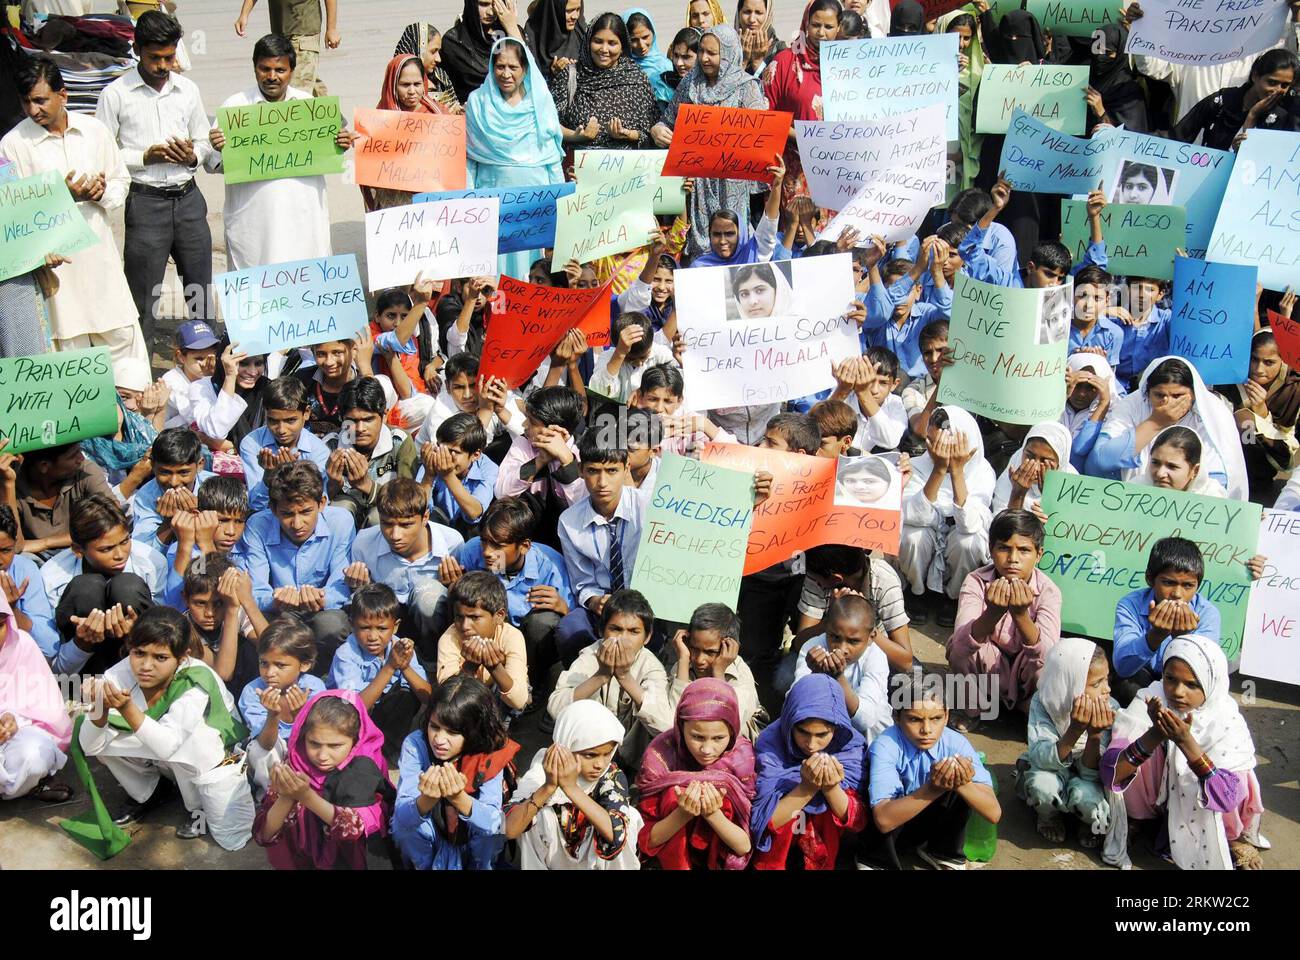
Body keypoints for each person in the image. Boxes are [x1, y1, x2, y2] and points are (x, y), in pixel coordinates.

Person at [1, 57, 147, 370]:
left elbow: (120, 180)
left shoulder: (94, 131)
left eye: (40, 100)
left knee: (125, 356)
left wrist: (101, 192)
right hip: (56, 274)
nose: (32, 109)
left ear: (63, 95)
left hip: (101, 264)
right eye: (26, 101)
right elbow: (10, 211)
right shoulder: (12, 145)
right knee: (71, 361)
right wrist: (62, 198)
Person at [67, 607, 247, 857]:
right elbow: (90, 745)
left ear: (181, 658)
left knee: (196, 740)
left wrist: (126, 708)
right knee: (102, 734)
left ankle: (198, 808)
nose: (145, 666)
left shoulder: (195, 679)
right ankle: (150, 792)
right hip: (160, 748)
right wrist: (99, 710)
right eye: (139, 653)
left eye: (160, 658)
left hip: (208, 753)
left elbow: (169, 745)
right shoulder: (117, 675)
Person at [95, 11, 214, 350]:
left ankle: (205, 370)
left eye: (169, 57)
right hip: (146, 204)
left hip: (189, 200)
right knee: (143, 297)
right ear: (137, 50)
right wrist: (145, 157)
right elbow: (102, 153)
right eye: (155, 58)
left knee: (200, 292)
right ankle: (139, 374)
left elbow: (204, 142)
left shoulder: (187, 90)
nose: (163, 65)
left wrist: (192, 155)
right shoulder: (116, 94)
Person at [1103, 635, 1267, 870]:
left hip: (1210, 800)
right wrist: (1155, 735)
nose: (1178, 692)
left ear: (1211, 682)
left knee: (1237, 775)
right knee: (1135, 747)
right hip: (1158, 798)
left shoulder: (1225, 717)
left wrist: (1186, 742)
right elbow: (1112, 774)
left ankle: (1232, 836)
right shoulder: (1151, 699)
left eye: (1191, 684)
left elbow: (1227, 797)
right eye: (1170, 679)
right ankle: (1138, 817)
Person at [207, 34, 354, 271]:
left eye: (280, 69)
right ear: (255, 68)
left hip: (303, 218)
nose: (272, 76)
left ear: (292, 70)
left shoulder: (310, 106)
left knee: (306, 283)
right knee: (258, 289)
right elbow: (211, 163)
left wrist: (342, 141)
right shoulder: (235, 107)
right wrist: (217, 148)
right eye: (265, 69)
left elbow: (335, 143)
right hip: (255, 222)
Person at [651, 24, 768, 257]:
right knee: (700, 248)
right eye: (702, 51)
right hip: (697, 185)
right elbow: (668, 120)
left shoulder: (747, 88)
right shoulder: (690, 84)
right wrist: (658, 130)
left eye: (712, 53)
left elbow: (758, 139)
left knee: (730, 244)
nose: (704, 58)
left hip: (732, 184)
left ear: (728, 54)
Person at [862, 674, 1000, 870]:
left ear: (946, 716)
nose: (926, 729)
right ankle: (875, 861)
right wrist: (933, 788)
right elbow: (883, 820)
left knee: (959, 776)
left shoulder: (956, 743)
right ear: (897, 718)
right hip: (886, 831)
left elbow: (993, 813)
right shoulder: (886, 745)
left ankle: (943, 851)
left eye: (936, 718)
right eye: (914, 719)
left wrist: (962, 783)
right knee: (873, 802)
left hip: (922, 825)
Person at [254, 690, 393, 869]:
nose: (322, 756)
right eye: (314, 743)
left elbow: (353, 829)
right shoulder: (295, 766)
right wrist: (287, 796)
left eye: (335, 746)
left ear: (356, 741)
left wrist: (306, 797)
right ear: (302, 737)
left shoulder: (363, 770)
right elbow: (263, 835)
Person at [392, 675, 520, 869]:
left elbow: (495, 822)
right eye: (434, 727)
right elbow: (402, 815)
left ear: (474, 730)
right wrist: (426, 800)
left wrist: (458, 798)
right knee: (403, 829)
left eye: (452, 732)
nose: (439, 740)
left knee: (491, 835)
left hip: (471, 841)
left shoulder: (491, 751)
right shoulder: (416, 744)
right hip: (433, 836)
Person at [466, 38, 566, 281]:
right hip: (492, 203)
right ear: (491, 66)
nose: (506, 74)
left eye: (513, 67)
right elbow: (470, 159)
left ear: (525, 69)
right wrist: (469, 201)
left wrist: (562, 205)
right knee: (493, 270)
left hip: (534, 206)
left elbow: (551, 155)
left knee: (533, 272)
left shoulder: (539, 103)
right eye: (500, 66)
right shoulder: (478, 103)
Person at [504, 699, 642, 870]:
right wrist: (548, 787)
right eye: (590, 755)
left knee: (630, 817)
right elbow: (510, 829)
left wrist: (571, 788)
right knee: (535, 814)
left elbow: (616, 836)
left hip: (593, 863)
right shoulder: (542, 771)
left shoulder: (610, 774)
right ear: (566, 746)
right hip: (554, 860)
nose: (600, 764)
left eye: (607, 754)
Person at [636, 678, 756, 869]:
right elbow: (647, 840)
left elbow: (744, 846)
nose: (707, 749)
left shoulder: (741, 760)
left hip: (719, 861)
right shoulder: (660, 755)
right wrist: (682, 813)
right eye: (697, 737)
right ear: (680, 727)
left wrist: (713, 814)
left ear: (732, 731)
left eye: (718, 738)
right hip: (668, 862)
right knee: (672, 795)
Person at [243, 461, 352, 672]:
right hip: (279, 613)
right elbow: (256, 590)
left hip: (322, 611)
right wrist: (275, 600)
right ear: (273, 509)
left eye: (305, 512)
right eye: (287, 514)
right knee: (260, 627)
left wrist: (320, 599)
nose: (297, 523)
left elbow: (340, 584)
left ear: (321, 503)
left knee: (333, 625)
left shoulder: (341, 522)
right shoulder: (258, 526)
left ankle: (322, 677)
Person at [1089, 356, 1248, 499]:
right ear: (1147, 393)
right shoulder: (1133, 406)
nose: (1167, 403)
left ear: (1193, 395)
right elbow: (1100, 460)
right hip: (1136, 499)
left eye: (1177, 396)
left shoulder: (1212, 414)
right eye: (1159, 395)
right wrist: (1156, 422)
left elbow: (1218, 478)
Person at [751, 674, 867, 870]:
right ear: (789, 724)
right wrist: (807, 787)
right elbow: (764, 821)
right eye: (803, 732)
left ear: (836, 729)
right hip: (778, 850)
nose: (812, 745)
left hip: (830, 844)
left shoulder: (850, 747)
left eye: (822, 734)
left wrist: (831, 788)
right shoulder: (771, 744)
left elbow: (856, 821)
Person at [43, 494, 165, 679]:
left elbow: (170, 631)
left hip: (140, 664)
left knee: (127, 587)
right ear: (78, 550)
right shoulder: (53, 577)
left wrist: (139, 633)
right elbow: (56, 668)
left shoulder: (151, 563)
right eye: (106, 549)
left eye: (125, 541)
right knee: (86, 589)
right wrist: (82, 642)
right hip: (79, 676)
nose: (120, 555)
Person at [896, 405, 995, 628]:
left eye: (943, 445)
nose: (934, 449)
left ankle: (953, 598)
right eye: (930, 442)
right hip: (927, 546)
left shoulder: (982, 472)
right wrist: (939, 470)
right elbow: (915, 515)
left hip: (957, 542)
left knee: (968, 542)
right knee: (912, 536)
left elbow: (969, 524)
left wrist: (957, 472)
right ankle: (916, 591)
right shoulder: (918, 465)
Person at [548, 589, 671, 767]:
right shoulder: (589, 657)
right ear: (601, 630)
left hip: (633, 760)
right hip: (587, 757)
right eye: (615, 629)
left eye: (634, 632)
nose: (623, 638)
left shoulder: (651, 667)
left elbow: (664, 725)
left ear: (647, 637)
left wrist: (624, 677)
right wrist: (601, 675)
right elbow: (556, 709)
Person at [1018, 638, 1118, 850]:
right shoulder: (1045, 702)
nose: (1107, 689)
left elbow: (1093, 774)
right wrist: (1074, 731)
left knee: (1089, 799)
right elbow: (1040, 758)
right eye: (1096, 683)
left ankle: (1084, 822)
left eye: (1106, 679)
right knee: (1041, 786)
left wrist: (1094, 736)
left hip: (1087, 778)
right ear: (1069, 683)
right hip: (1051, 771)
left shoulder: (1110, 709)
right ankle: (1048, 816)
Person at [1112, 537, 1222, 706]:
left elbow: (1204, 672)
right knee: (1127, 685)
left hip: (1183, 682)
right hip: (1144, 676)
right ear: (1150, 579)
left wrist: (1184, 639)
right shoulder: (1131, 604)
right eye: (1168, 583)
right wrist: (1155, 635)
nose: (1177, 594)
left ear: (1197, 585)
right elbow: (1123, 667)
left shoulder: (1207, 613)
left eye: (1188, 586)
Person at [762, 0, 842, 207]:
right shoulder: (784, 63)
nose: (821, 33)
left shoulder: (848, 68)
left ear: (839, 28)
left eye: (829, 27)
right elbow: (764, 118)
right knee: (792, 236)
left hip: (837, 172)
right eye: (816, 25)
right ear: (806, 24)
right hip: (792, 173)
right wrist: (802, 137)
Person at [788, 594, 892, 743]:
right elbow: (794, 704)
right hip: (822, 736)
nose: (842, 648)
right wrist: (814, 677)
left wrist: (838, 678)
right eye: (835, 637)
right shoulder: (813, 647)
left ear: (871, 637)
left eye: (853, 641)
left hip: (869, 738)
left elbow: (865, 720)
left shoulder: (876, 657)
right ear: (826, 629)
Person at [239, 617, 324, 797]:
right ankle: (270, 796)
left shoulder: (313, 687)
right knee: (258, 750)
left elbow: (320, 735)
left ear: (304, 665)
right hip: (271, 755)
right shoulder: (253, 691)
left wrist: (301, 714)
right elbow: (265, 744)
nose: (269, 673)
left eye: (280, 665)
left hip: (305, 753)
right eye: (264, 663)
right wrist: (273, 715)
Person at [549, 12, 659, 150]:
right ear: (588, 41)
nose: (604, 49)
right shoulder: (570, 76)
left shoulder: (637, 79)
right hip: (577, 168)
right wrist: (577, 136)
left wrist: (628, 134)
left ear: (622, 46)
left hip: (628, 168)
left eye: (612, 43)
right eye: (598, 41)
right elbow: (548, 124)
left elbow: (653, 134)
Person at [0, 592, 72, 801]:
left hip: (14, 734)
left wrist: (11, 720)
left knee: (35, 754)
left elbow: (42, 703)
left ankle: (18, 786)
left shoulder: (21, 644)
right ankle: (23, 788)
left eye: (0, 625)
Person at [661, 603, 765, 741]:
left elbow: (730, 724)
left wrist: (718, 673)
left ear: (729, 647)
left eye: (710, 652)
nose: (699, 659)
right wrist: (683, 659)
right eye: (694, 648)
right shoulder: (684, 662)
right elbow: (673, 719)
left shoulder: (740, 673)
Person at [361, 54, 449, 212]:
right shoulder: (380, 119)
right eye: (405, 85)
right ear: (392, 84)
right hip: (394, 206)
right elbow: (372, 171)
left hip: (430, 203)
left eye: (417, 84)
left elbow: (451, 162)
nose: (412, 91)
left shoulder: (439, 116)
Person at [1221, 329, 1300, 500]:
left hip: (1261, 480)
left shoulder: (1292, 391)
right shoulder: (1227, 383)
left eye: (1269, 362)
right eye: (1253, 359)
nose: (1258, 369)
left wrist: (1262, 414)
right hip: (1225, 476)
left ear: (1283, 362)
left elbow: (1287, 460)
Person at [436, 572, 530, 713]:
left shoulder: (512, 637)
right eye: (459, 617)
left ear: (499, 616)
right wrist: (470, 666)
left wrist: (495, 667)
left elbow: (518, 701)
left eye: (475, 617)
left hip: (501, 699)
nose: (464, 626)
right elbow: (446, 695)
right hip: (465, 701)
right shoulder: (450, 638)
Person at [1172, 48, 1298, 151]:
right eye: (1272, 82)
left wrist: (1252, 117)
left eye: (1285, 85)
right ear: (1255, 75)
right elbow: (1176, 137)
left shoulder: (1283, 117)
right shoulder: (1221, 102)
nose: (1277, 90)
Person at [239, 376, 331, 513]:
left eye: (290, 421)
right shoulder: (252, 443)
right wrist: (268, 476)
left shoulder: (318, 450)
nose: (281, 430)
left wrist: (291, 478)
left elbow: (319, 505)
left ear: (306, 413)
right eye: (273, 421)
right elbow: (256, 505)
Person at [235, 0, 341, 97]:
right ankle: (330, 113)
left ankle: (319, 113)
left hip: (304, 32)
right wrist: (244, 14)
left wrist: (331, 28)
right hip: (280, 35)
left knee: (295, 91)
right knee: (308, 82)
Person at [442, 0, 527, 104]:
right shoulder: (454, 41)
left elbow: (530, 73)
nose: (491, 12)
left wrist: (512, 29)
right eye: (484, 4)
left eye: (496, 5)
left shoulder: (510, 32)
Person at [992, 423, 1075, 515]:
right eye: (1030, 456)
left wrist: (1049, 497)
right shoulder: (1012, 472)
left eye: (1045, 460)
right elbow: (1002, 527)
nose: (1035, 467)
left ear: (1060, 464)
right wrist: (1017, 494)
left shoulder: (1072, 488)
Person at [1060, 353, 1117, 471]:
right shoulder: (1052, 404)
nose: (1082, 394)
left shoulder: (1114, 413)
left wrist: (1103, 403)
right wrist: (1064, 394)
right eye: (1077, 385)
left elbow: (1079, 449)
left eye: (1091, 387)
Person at [1136, 426, 1226, 498]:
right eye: (1155, 463)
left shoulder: (1212, 498)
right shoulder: (1134, 491)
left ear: (1195, 471)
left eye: (1172, 466)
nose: (1160, 473)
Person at [394, 22, 463, 111]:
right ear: (419, 50)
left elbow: (454, 108)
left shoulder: (441, 78)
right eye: (433, 51)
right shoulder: (395, 78)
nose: (438, 59)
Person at [624, 9, 676, 104]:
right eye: (634, 40)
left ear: (653, 33)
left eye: (645, 37)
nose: (641, 45)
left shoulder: (666, 65)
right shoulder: (620, 67)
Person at [525, 0, 588, 78]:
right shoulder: (531, 39)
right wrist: (553, 76)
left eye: (578, 9)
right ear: (554, 10)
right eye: (568, 11)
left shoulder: (582, 35)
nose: (575, 16)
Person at [734, 0, 786, 76]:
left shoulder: (780, 51)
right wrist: (743, 61)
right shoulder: (726, 48)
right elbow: (723, 86)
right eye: (747, 12)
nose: (752, 19)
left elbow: (777, 86)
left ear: (768, 14)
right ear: (739, 13)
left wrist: (758, 63)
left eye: (758, 13)